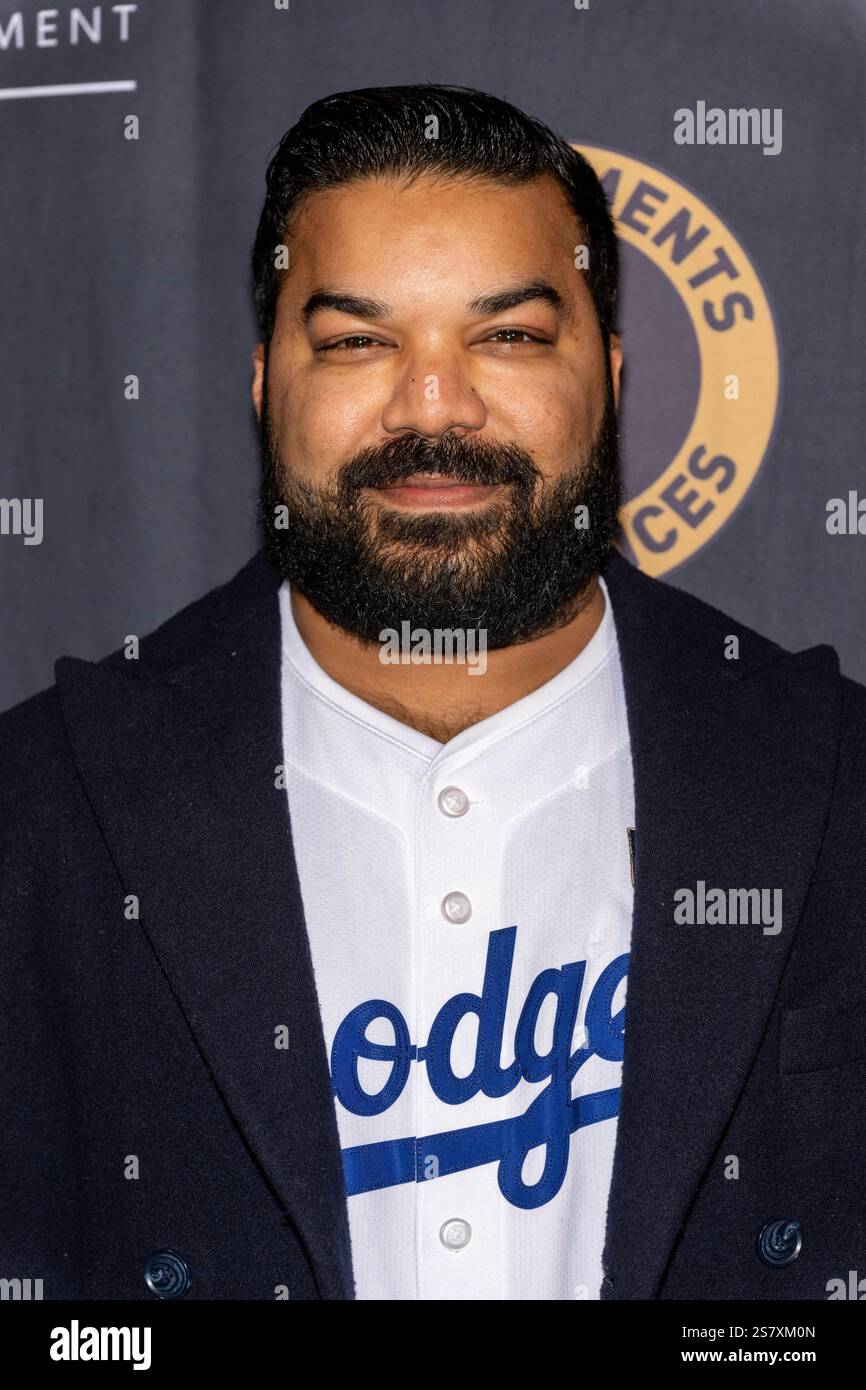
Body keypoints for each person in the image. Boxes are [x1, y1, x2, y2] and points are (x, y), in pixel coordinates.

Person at [2, 84, 864, 1303]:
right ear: (263, 386)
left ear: (610, 377)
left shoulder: (833, 784)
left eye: (506, 336)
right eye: (357, 339)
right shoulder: (40, 817)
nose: (432, 406)